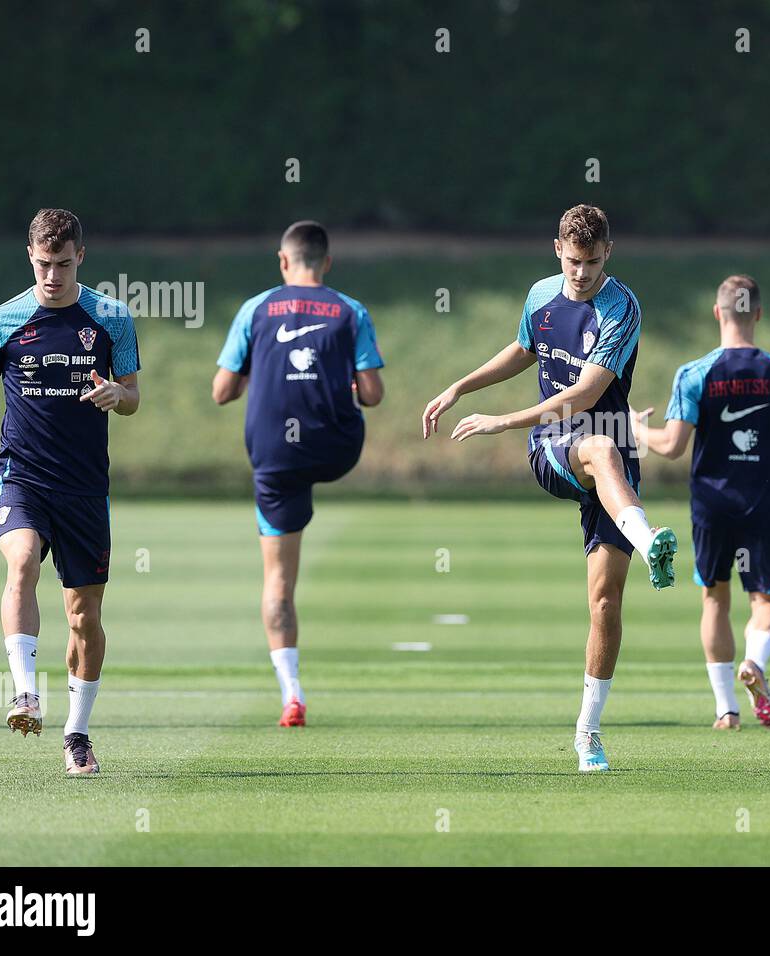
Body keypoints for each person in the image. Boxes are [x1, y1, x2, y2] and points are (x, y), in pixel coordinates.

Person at [421, 204, 677, 772]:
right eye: (571, 260)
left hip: (603, 439)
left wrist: (505, 418)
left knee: (606, 603)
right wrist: (462, 388)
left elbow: (587, 394)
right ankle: (648, 535)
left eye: (590, 262)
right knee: (600, 447)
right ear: (556, 249)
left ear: (607, 252)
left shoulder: (622, 308)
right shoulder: (541, 296)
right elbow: (523, 349)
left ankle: (588, 733)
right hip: (555, 444)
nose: (580, 273)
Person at [0, 208, 141, 775]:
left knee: (84, 619)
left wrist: (116, 397)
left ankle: (77, 733)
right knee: (22, 561)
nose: (51, 275)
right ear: (29, 258)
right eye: (41, 264)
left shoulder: (111, 319)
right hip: (21, 476)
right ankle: (25, 693)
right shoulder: (0, 321)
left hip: (84, 487)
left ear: (81, 256)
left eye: (61, 263)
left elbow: (133, 395)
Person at [213, 220, 385, 727]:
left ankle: (292, 693)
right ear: (326, 263)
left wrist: (256, 370)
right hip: (335, 447)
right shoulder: (350, 310)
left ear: (283, 261)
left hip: (273, 453)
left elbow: (222, 391)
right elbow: (373, 394)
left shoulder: (255, 309)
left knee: (278, 581)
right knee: (341, 422)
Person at [631, 275, 770, 730]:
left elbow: (672, 446)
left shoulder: (695, 373)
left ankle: (725, 710)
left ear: (718, 313)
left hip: (711, 503)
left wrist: (636, 431)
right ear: (758, 315)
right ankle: (756, 662)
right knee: (765, 603)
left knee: (714, 599)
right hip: (763, 501)